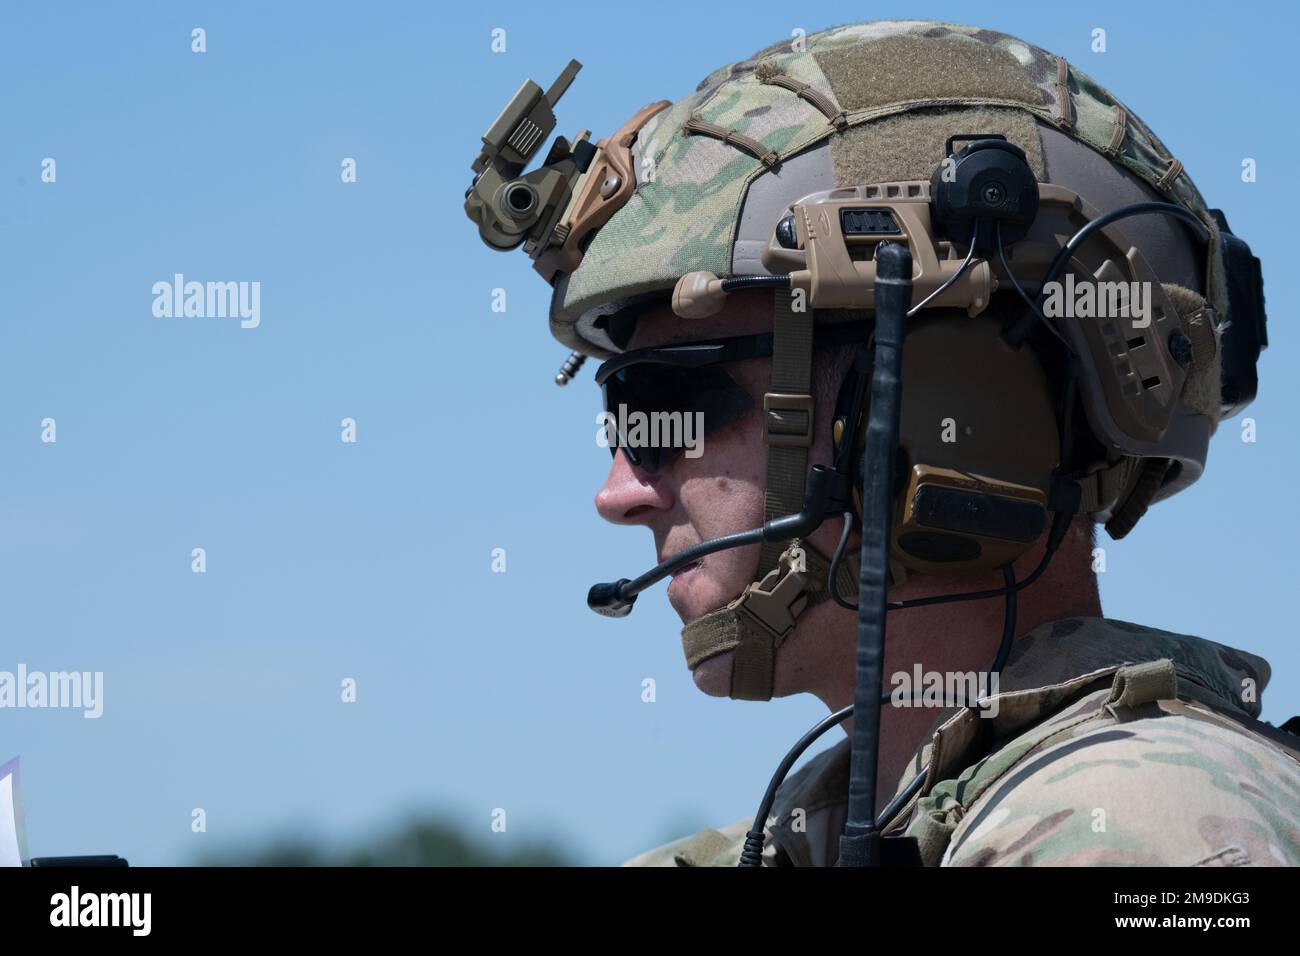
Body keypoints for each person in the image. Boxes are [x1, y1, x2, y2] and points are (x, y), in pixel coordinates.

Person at [465, 19, 1300, 866]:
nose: (620, 493)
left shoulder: (1137, 827)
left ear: (957, 404)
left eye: (667, 401)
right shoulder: (817, 836)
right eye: (622, 422)